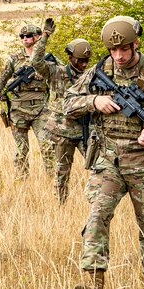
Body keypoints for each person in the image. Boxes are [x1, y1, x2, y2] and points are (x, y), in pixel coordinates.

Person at [63, 16, 144, 289]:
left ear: (135, 44)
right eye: (113, 50)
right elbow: (68, 102)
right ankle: (94, 288)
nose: (118, 56)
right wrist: (94, 102)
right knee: (97, 216)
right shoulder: (99, 70)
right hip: (109, 160)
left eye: (124, 49)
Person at [27, 19, 94, 203]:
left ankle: (95, 202)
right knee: (61, 173)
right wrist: (45, 37)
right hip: (62, 132)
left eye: (86, 61)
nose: (83, 64)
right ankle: (60, 206)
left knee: (98, 167)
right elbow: (35, 61)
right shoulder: (56, 72)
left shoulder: (91, 76)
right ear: (70, 57)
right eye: (80, 61)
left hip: (85, 130)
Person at [0, 23, 54, 177]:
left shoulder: (46, 58)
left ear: (38, 37)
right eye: (22, 36)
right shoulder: (14, 59)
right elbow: (0, 80)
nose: (25, 39)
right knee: (21, 150)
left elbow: (60, 76)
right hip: (18, 110)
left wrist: (44, 74)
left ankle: (53, 180)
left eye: (29, 36)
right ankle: (21, 181)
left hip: (40, 109)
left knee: (47, 146)